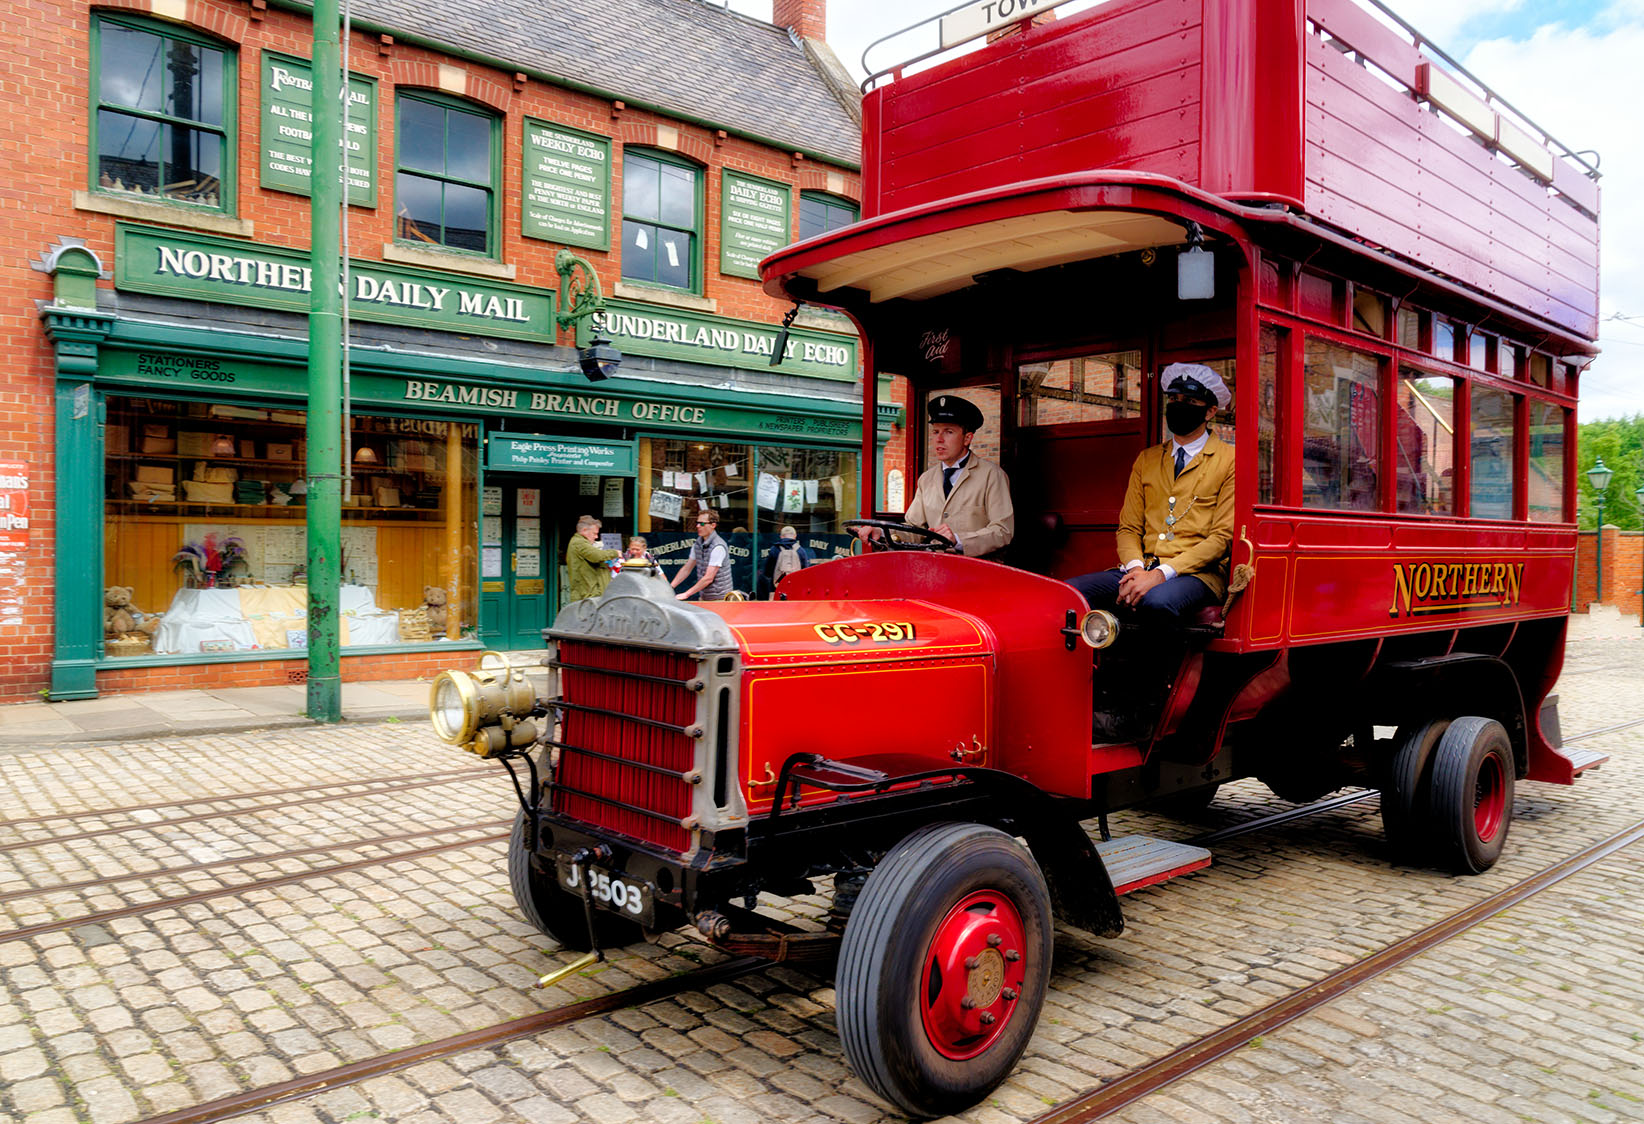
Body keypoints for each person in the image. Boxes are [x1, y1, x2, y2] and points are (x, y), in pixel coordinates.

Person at [1069, 363, 1234, 622]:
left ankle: (1172, 664)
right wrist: (1136, 570)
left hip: (1198, 574)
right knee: (1070, 593)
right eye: (1173, 399)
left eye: (1189, 400)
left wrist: (1160, 575)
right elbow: (1128, 528)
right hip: (1142, 566)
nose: (1178, 405)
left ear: (1210, 411)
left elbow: (1222, 538)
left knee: (1155, 602)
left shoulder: (1230, 459)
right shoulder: (1148, 459)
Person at [864, 394, 1013, 557]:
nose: (939, 439)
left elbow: (1003, 531)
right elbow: (914, 529)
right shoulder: (926, 479)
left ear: (967, 438)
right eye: (935, 432)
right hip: (936, 569)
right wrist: (882, 533)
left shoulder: (991, 475)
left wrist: (957, 540)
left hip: (978, 571)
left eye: (948, 432)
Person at [671, 509, 734, 601]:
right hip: (705, 597)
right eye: (697, 523)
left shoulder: (718, 546)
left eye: (702, 524)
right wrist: (670, 587)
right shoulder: (698, 543)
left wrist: (686, 594)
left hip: (719, 599)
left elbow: (708, 578)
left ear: (713, 525)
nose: (697, 526)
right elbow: (687, 568)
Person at [564, 515, 622, 603]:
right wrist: (615, 553)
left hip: (590, 595)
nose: (596, 537)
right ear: (584, 531)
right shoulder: (579, 543)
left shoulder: (580, 542)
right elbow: (596, 556)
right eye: (594, 533)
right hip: (588, 596)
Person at [762, 525, 813, 597]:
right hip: (795, 591)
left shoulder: (774, 549)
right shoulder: (801, 551)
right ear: (795, 536)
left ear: (781, 536)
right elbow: (805, 573)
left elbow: (767, 573)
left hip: (776, 590)